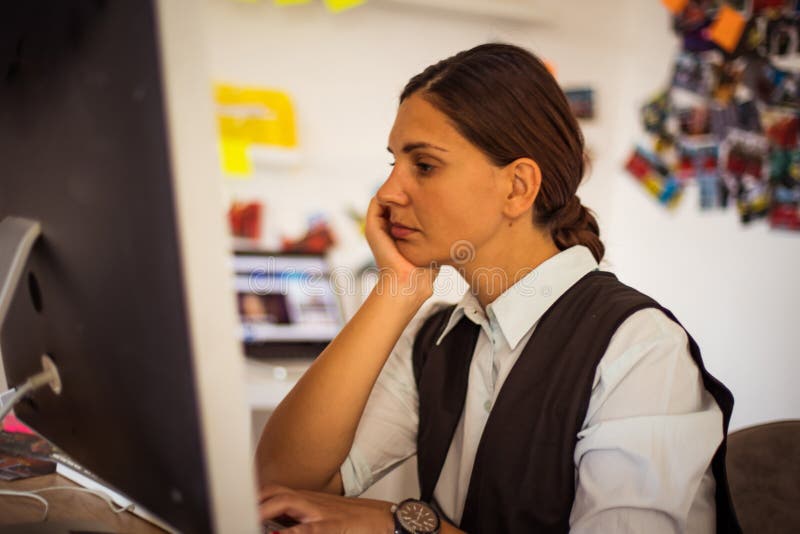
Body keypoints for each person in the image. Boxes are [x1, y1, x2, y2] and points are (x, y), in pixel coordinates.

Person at [255, 43, 741, 534]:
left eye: (423, 165)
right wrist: (397, 289)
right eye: (394, 164)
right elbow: (282, 482)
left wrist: (404, 526)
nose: (386, 194)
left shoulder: (639, 351)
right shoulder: (437, 337)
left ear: (517, 188)